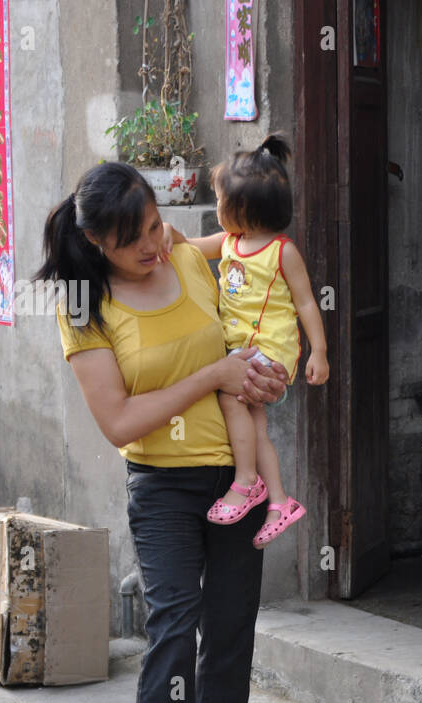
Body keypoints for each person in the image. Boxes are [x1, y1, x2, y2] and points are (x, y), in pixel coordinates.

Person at [37, 161, 290, 703]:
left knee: (232, 617)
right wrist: (211, 375)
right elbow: (119, 421)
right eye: (135, 241)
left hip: (236, 479)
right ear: (95, 244)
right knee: (173, 621)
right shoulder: (84, 307)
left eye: (154, 225)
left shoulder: (186, 255)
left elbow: (239, 332)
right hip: (162, 485)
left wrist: (263, 373)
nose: (154, 245)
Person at [168, 134, 328, 547]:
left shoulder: (281, 252)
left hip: (269, 349)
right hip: (244, 350)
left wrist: (319, 352)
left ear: (242, 210)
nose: (217, 210)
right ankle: (279, 500)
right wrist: (169, 234)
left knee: (230, 397)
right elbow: (189, 248)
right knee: (256, 426)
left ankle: (245, 481)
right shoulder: (229, 243)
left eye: (220, 202)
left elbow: (307, 304)